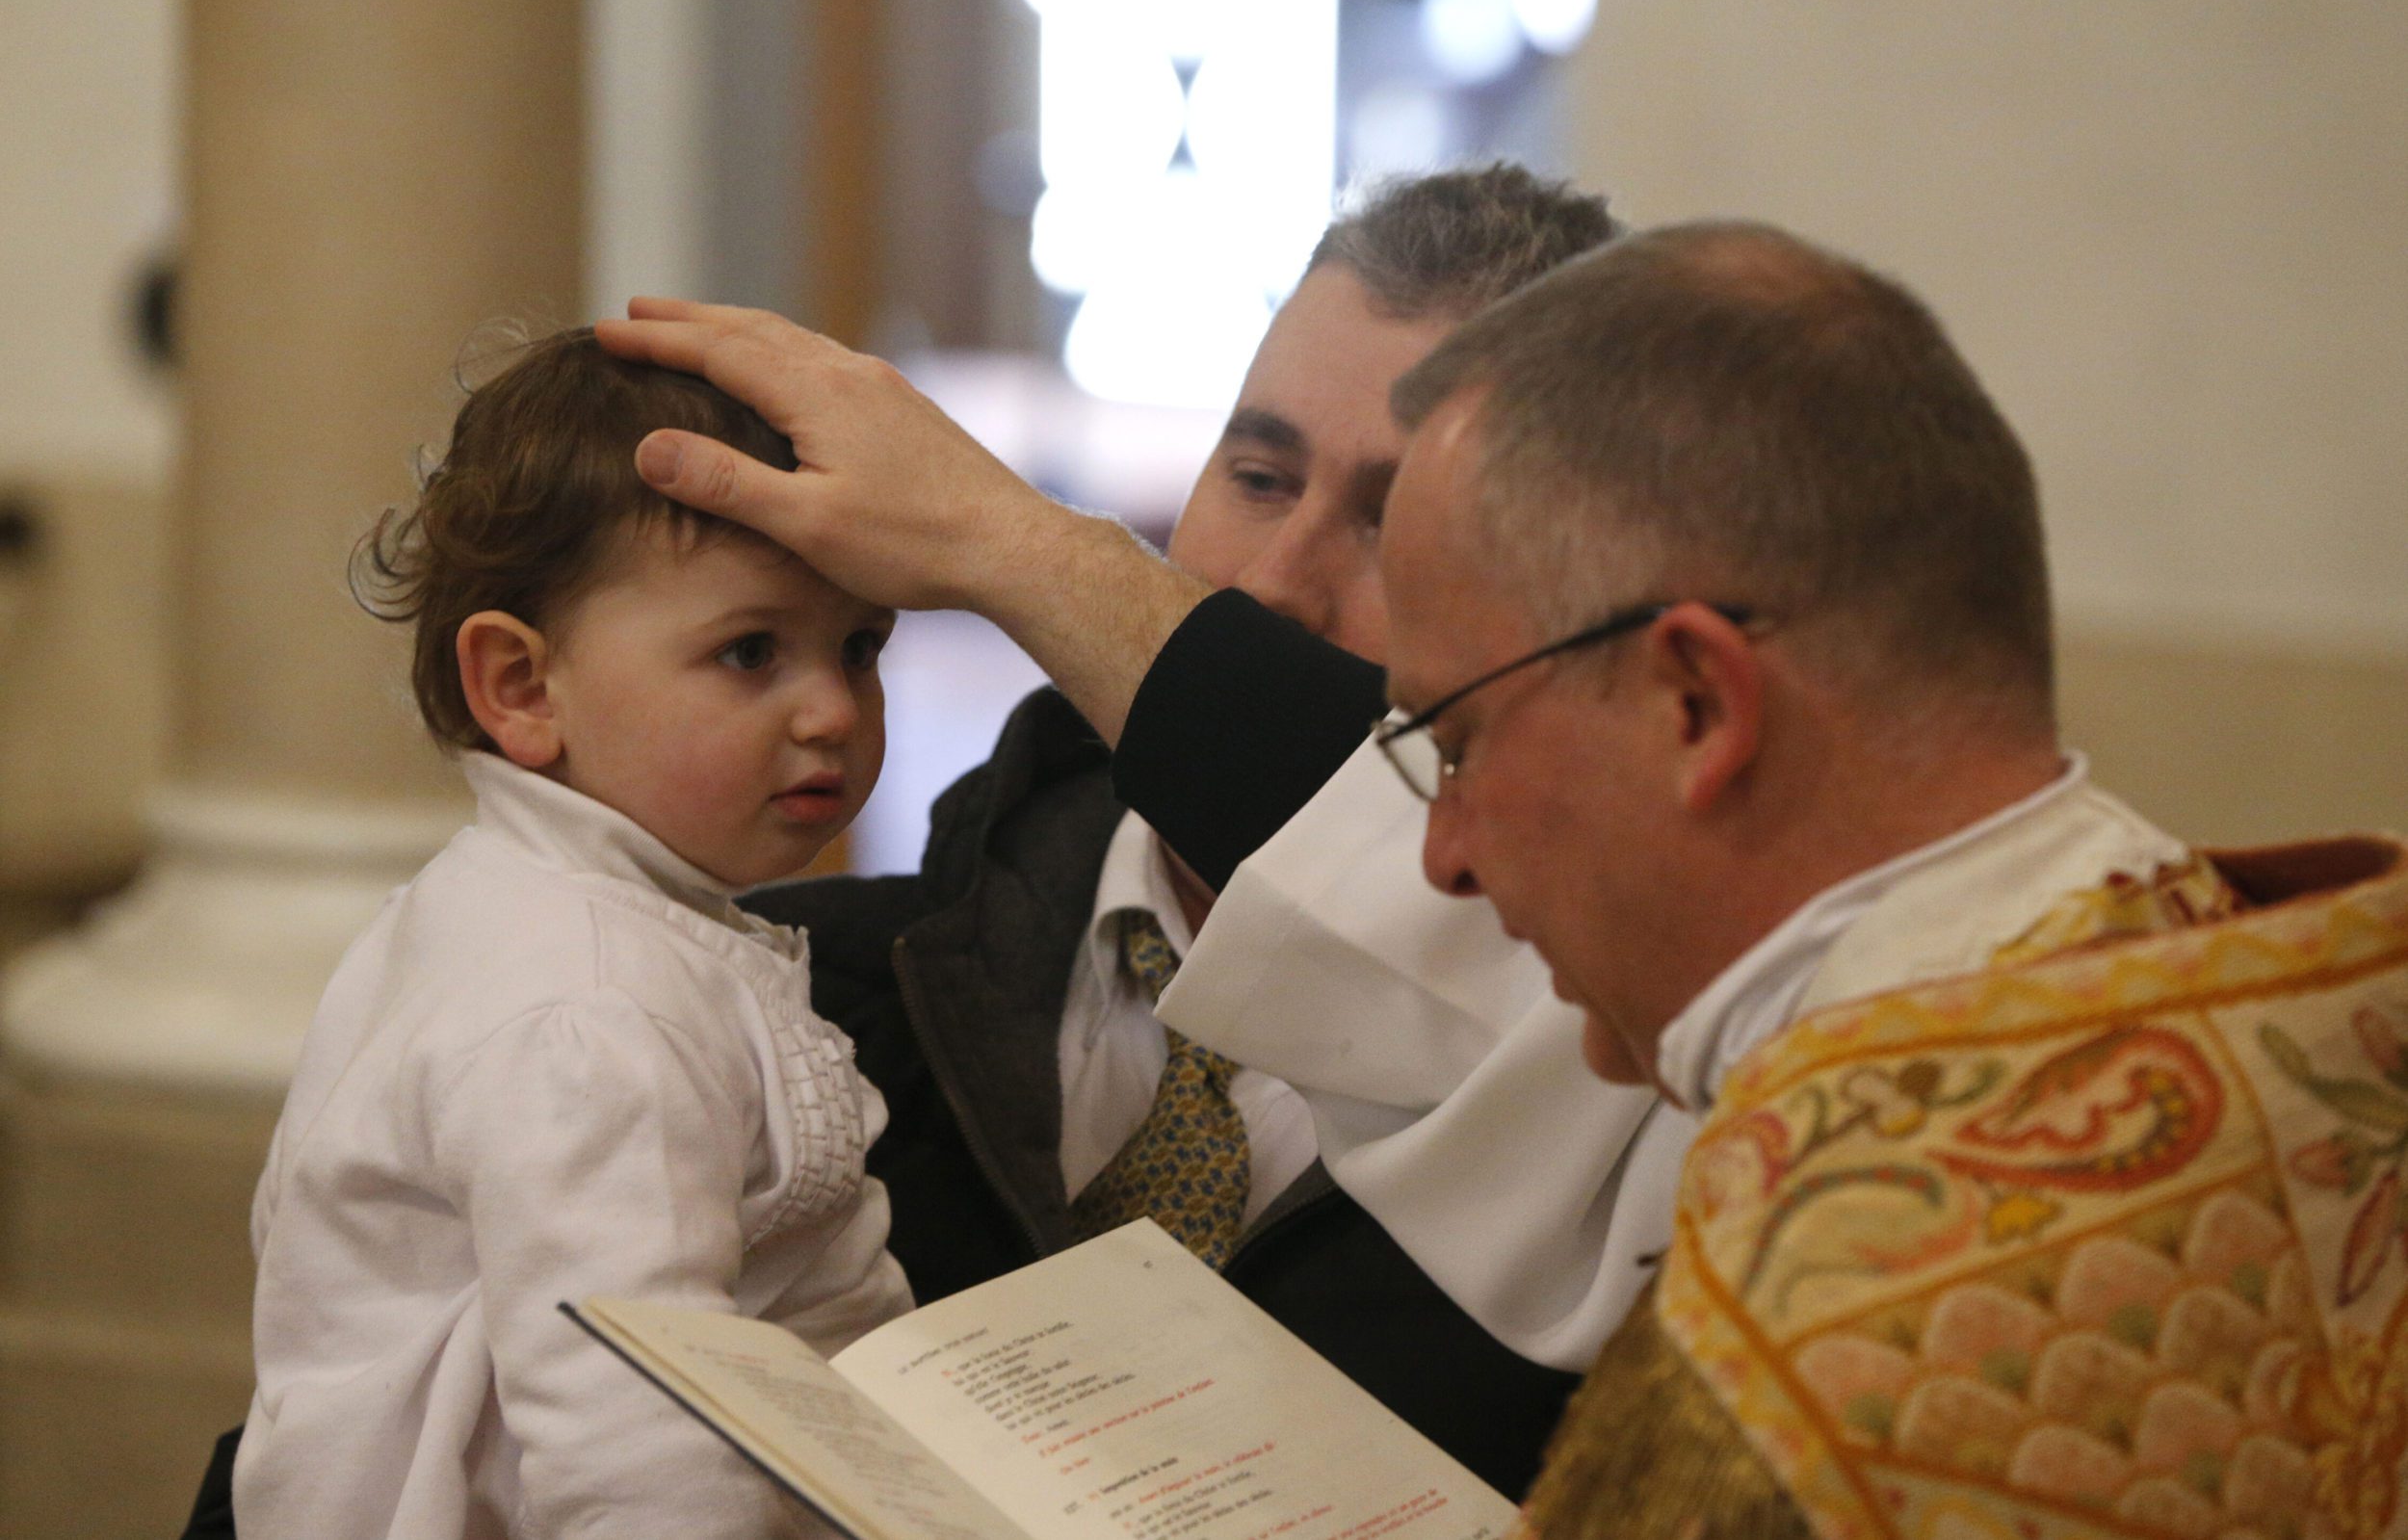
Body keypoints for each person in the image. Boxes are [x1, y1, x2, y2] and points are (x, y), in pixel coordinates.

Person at [602, 221, 2408, 1538]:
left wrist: (1008, 546)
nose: (1441, 851)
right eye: (1257, 471)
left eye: (1449, 744)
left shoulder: (1831, 1306)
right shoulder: (2277, 986)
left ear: (1697, 704)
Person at [179, 166, 1634, 1539]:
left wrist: (1006, 542)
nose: (1269, 587)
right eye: (1256, 473)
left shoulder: (1620, 1099)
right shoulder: (788, 991)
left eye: (1394, 524)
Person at [233, 329, 909, 1540]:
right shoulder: (590, 1006)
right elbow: (638, 1434)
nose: (830, 710)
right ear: (522, 686)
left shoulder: (564, 915)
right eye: (749, 650)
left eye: (858, 647)